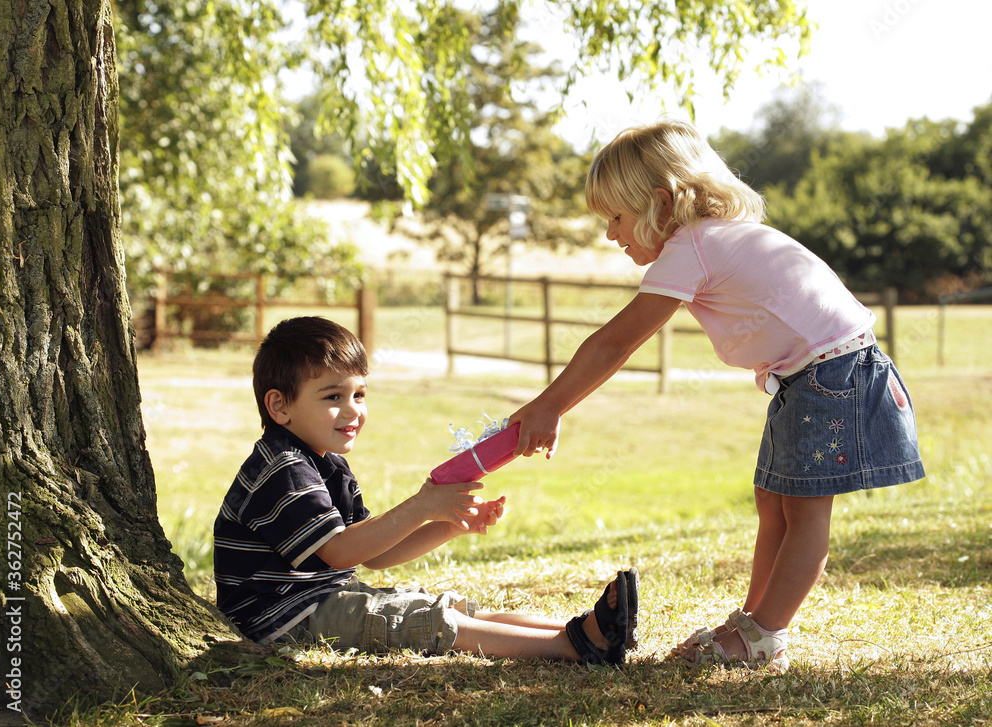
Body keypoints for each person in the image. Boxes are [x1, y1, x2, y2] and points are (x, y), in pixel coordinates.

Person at [509, 119, 924, 672]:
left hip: (834, 375)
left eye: (616, 216)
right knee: (772, 501)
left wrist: (550, 404)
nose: (611, 233)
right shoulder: (716, 238)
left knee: (803, 511)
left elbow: (616, 341)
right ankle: (749, 624)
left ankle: (764, 635)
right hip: (812, 375)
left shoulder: (693, 246)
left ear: (660, 201)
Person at [213, 316, 639, 665]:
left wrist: (449, 524)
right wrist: (421, 505)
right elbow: (341, 552)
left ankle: (586, 627)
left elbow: (374, 553)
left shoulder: (326, 463)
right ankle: (577, 646)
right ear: (279, 406)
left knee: (450, 608)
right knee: (423, 620)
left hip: (320, 600)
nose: (353, 411)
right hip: (280, 617)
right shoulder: (282, 468)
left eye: (359, 394)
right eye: (332, 396)